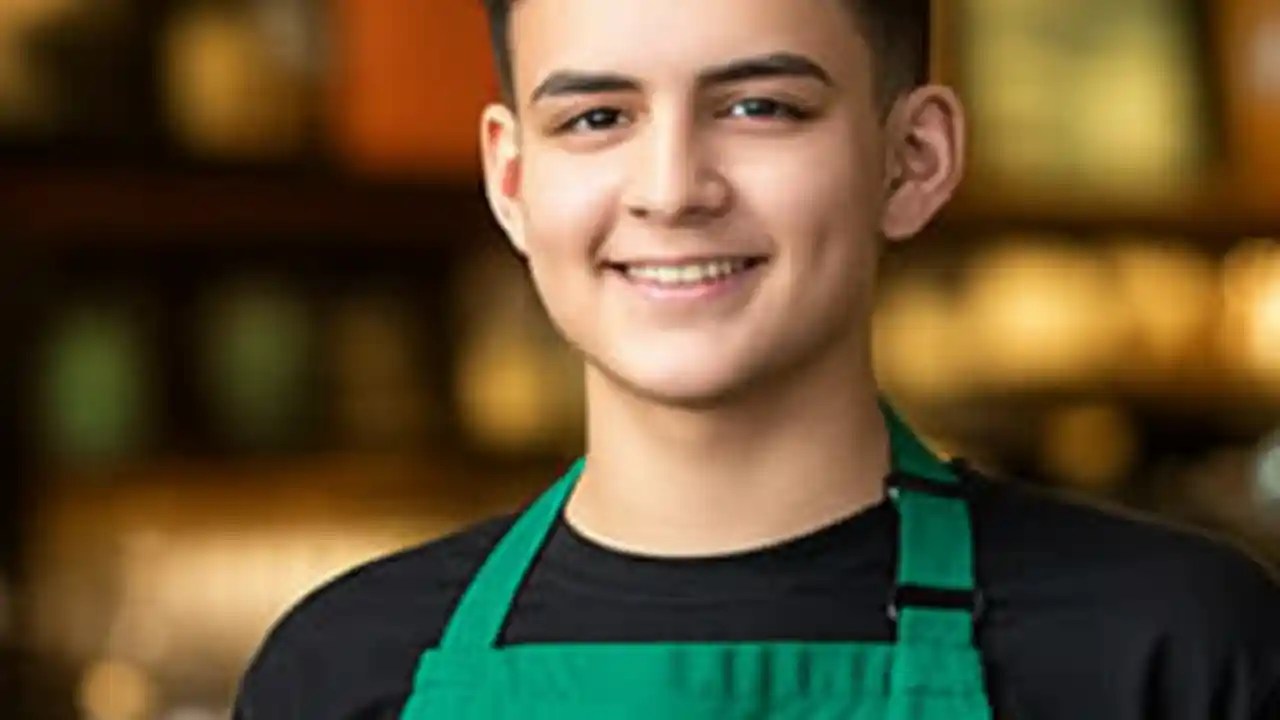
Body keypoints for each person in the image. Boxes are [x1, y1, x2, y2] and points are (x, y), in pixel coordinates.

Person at [233, 0, 1280, 717]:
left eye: (757, 108)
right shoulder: (344, 674)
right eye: (596, 118)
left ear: (912, 159)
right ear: (512, 181)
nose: (671, 187)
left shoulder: (1170, 652)